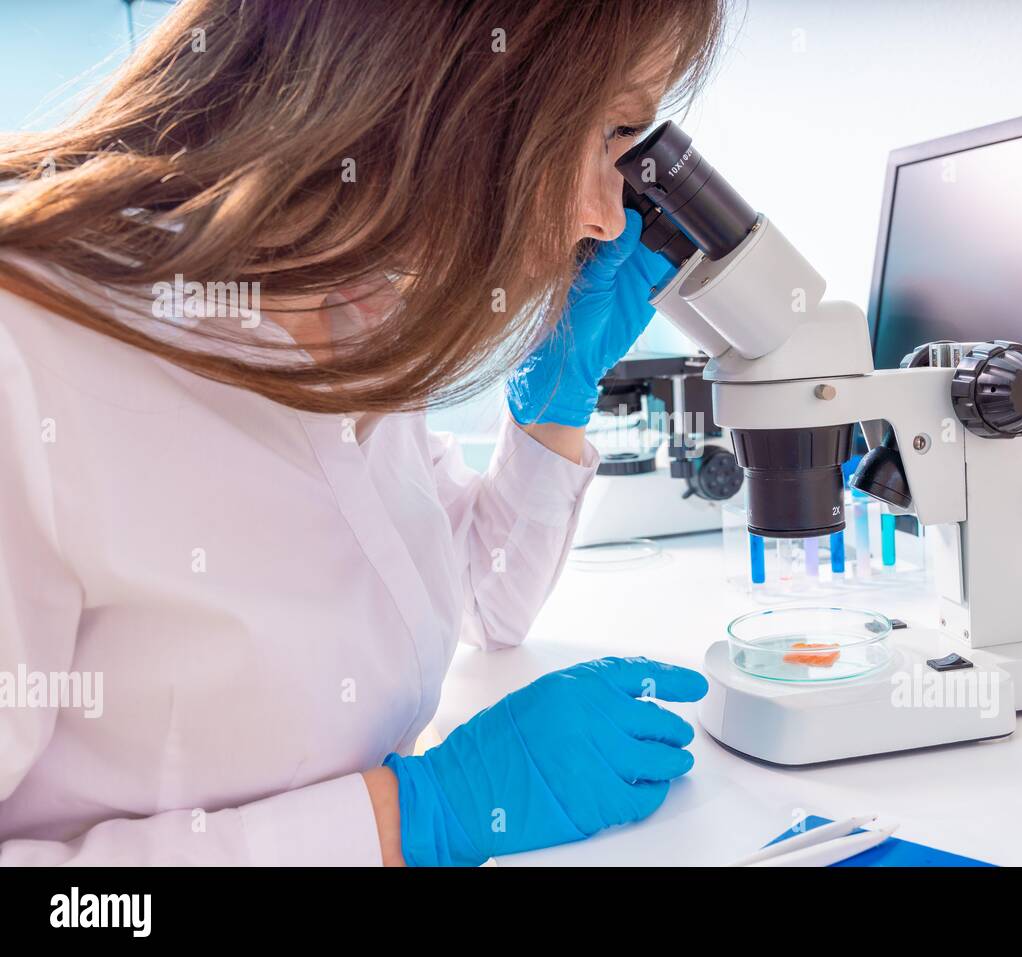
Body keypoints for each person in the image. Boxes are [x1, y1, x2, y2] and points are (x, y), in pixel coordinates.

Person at [0, 0, 729, 866]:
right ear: (450, 83)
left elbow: (478, 598)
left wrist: (556, 400)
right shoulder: (30, 350)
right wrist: (406, 819)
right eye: (612, 130)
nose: (613, 218)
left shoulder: (357, 312)